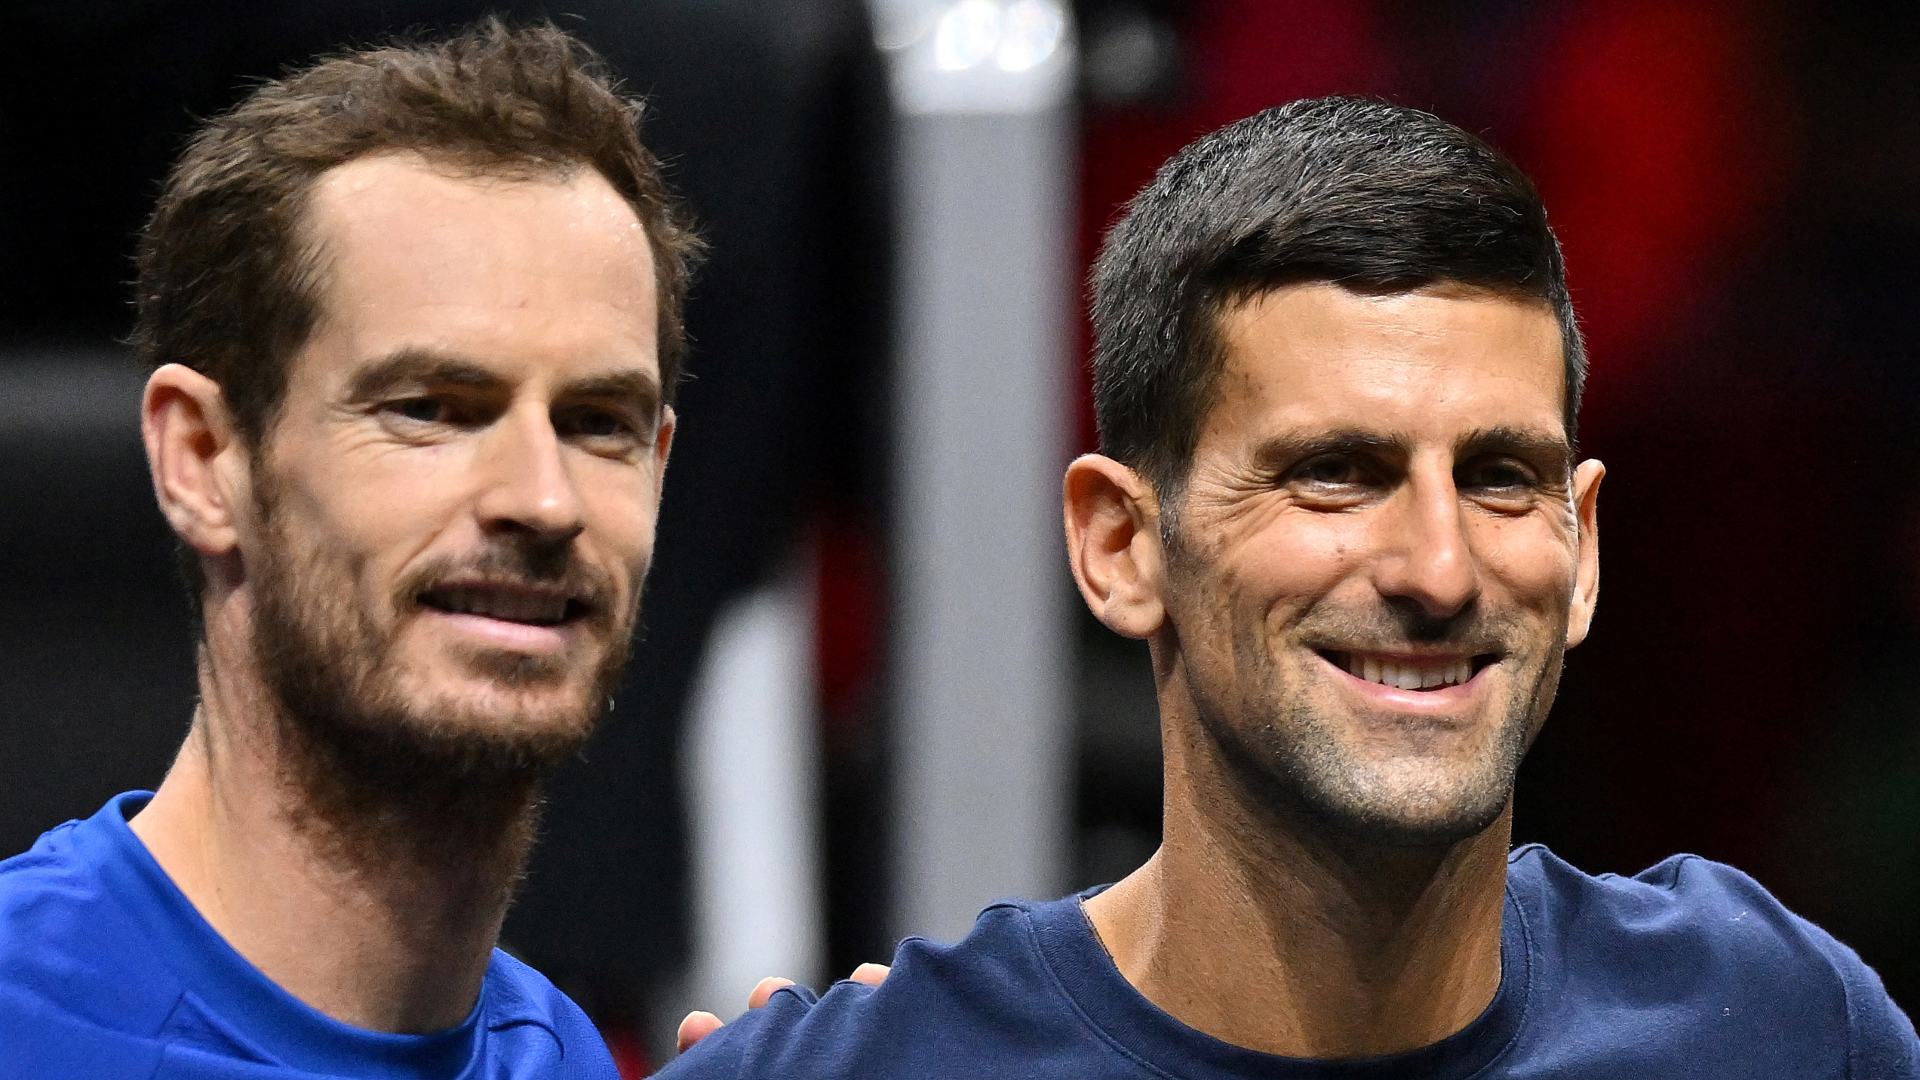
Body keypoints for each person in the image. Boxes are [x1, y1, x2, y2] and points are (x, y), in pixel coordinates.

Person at [660, 96, 1920, 1078]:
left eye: (1498, 477)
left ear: (1582, 544)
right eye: (1334, 474)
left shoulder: (1779, 1024)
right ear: (1121, 545)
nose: (1439, 569)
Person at [0, 21, 699, 1077]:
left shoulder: (557, 1056)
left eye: (599, 422)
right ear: (202, 459)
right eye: (431, 408)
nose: (544, 500)